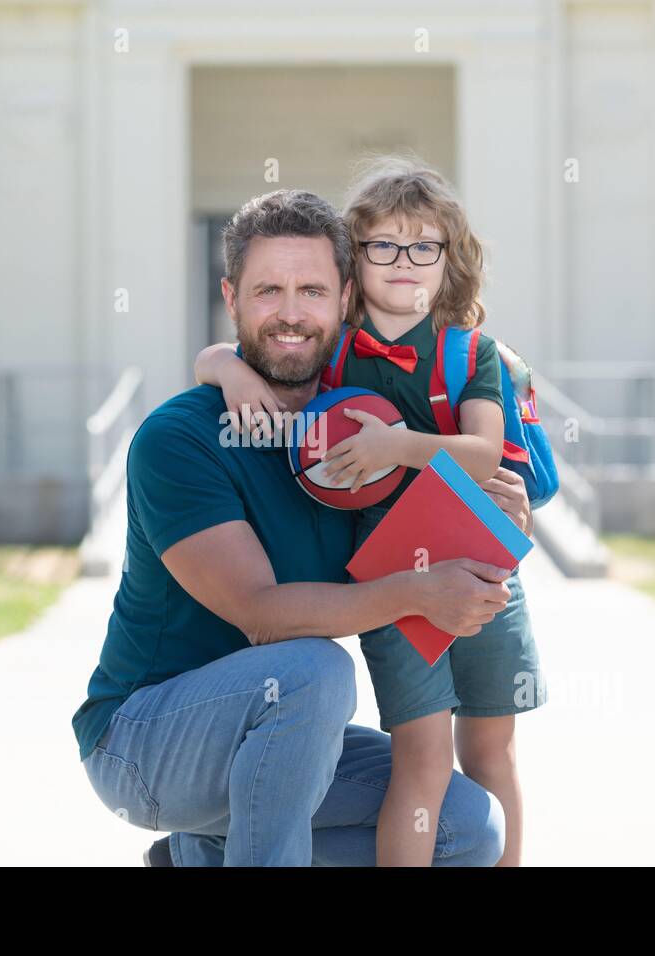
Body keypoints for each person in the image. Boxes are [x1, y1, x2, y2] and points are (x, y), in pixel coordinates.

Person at [71, 188, 527, 865]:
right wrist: (420, 591)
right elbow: (260, 615)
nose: (290, 314)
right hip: (145, 743)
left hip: (280, 740)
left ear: (346, 301)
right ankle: (207, 838)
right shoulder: (178, 439)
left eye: (311, 290)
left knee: (467, 825)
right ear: (231, 298)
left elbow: (448, 508)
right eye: (267, 291)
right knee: (314, 671)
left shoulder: (368, 435)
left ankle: (199, 852)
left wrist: (492, 509)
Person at [193, 159, 546, 866]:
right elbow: (216, 357)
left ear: (452, 261)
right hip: (395, 587)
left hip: (483, 573)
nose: (405, 262)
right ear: (357, 263)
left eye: (425, 246)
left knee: (492, 751)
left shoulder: (471, 353)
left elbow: (483, 451)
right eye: (384, 245)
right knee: (420, 762)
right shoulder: (335, 352)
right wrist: (229, 369)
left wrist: (398, 446)